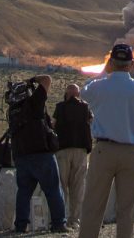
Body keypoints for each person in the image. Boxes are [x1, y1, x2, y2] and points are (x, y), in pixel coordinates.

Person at [77, 44, 134, 238]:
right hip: (131, 153)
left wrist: (105, 71)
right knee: (127, 210)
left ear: (111, 62)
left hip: (104, 150)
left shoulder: (100, 87)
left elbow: (84, 92)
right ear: (130, 64)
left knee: (93, 204)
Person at [9, 74, 66, 233]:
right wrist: (32, 79)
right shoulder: (34, 103)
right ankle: (58, 223)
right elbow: (47, 79)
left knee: (24, 193)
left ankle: (21, 226)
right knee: (53, 190)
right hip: (41, 155)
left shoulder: (12, 111)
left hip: (21, 156)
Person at [54, 82, 94, 223]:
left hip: (63, 149)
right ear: (78, 94)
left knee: (61, 184)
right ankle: (74, 219)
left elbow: (54, 124)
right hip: (81, 150)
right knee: (77, 186)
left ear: (66, 94)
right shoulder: (85, 107)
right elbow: (90, 120)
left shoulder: (60, 107)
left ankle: (60, 217)